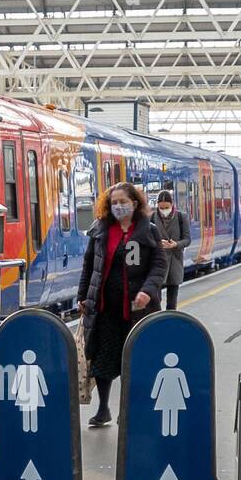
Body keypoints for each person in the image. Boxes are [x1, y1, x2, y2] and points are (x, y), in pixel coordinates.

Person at [78, 183, 168, 428]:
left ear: (135, 203)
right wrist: (83, 296)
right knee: (102, 359)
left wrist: (148, 292)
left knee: (136, 359)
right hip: (105, 309)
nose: (118, 206)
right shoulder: (100, 230)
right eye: (113, 202)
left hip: (137, 310)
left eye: (122, 201)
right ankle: (103, 408)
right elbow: (89, 266)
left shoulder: (148, 231)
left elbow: (160, 266)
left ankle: (129, 409)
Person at [149, 189, 190, 310]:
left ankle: (170, 323)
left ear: (172, 205)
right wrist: (156, 243)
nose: (163, 210)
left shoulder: (181, 217)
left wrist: (175, 244)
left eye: (166, 207)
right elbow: (147, 239)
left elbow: (187, 239)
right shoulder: (152, 217)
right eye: (161, 207)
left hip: (174, 262)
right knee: (156, 301)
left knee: (172, 302)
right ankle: (158, 323)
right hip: (158, 263)